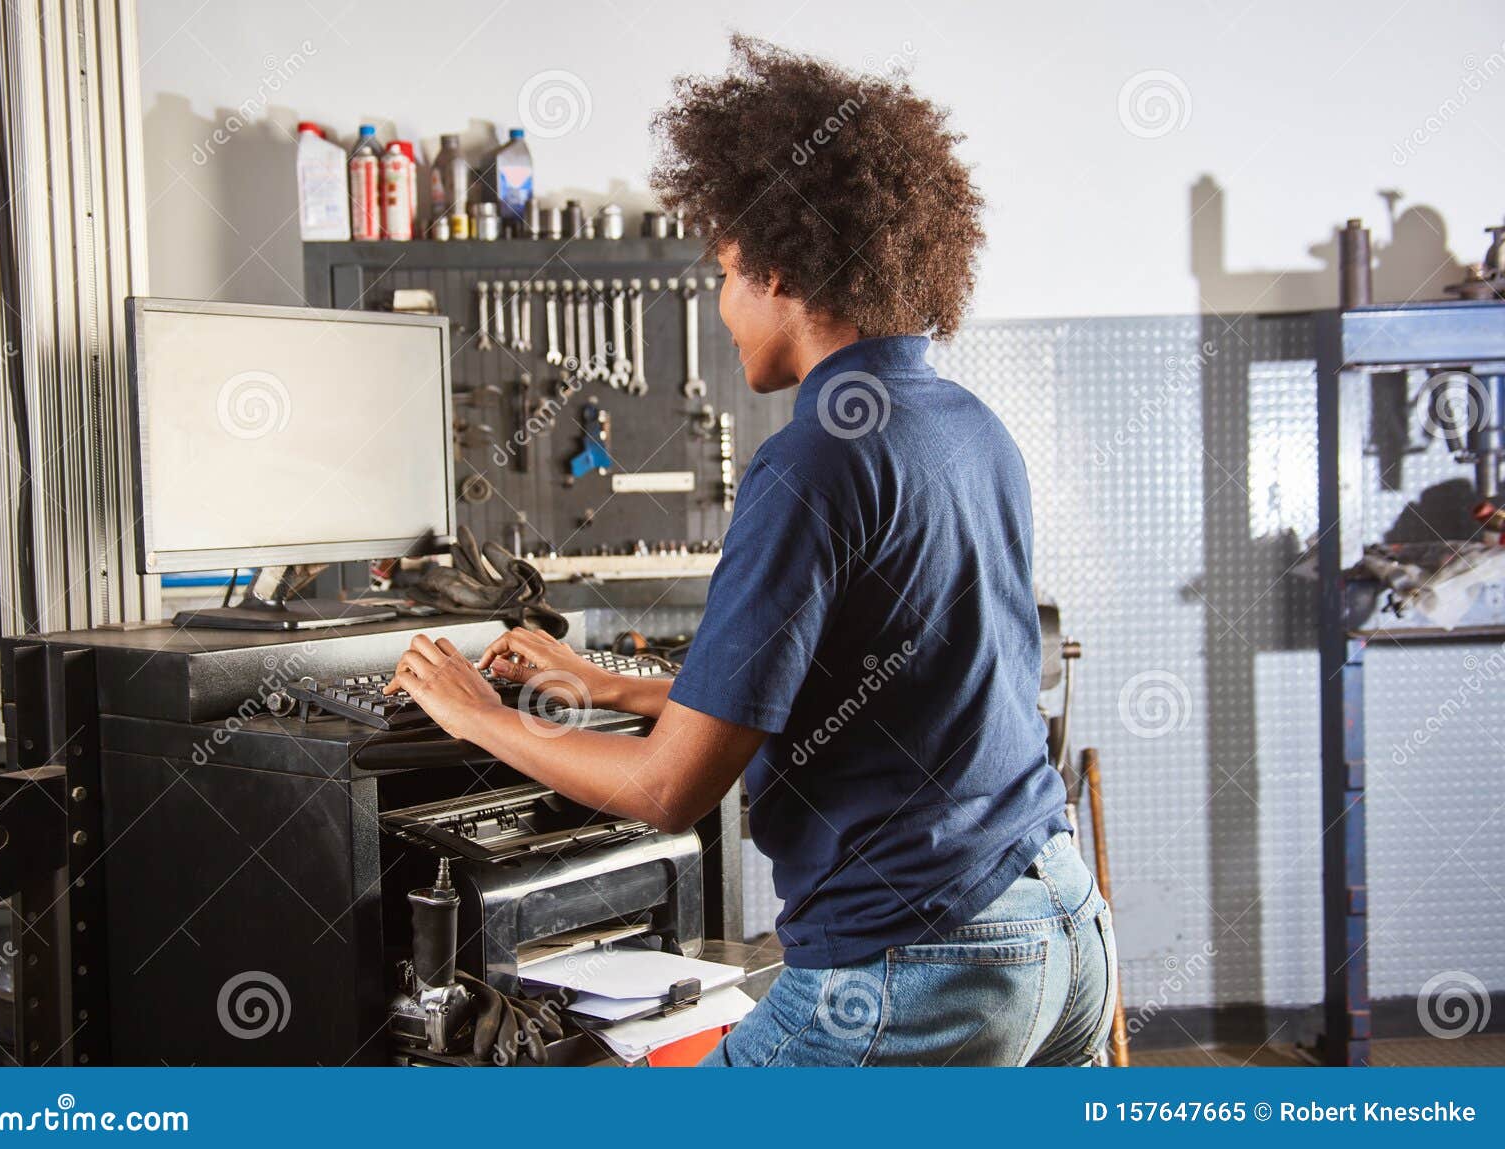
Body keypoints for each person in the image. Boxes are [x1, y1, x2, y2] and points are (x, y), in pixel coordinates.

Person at [385, 35, 1116, 1066]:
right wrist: (606, 682)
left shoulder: (812, 462)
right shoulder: (964, 424)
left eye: (725, 275)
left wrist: (478, 713)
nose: (722, 307)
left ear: (780, 270)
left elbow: (666, 791)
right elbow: (854, 682)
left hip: (920, 955)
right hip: (1058, 925)